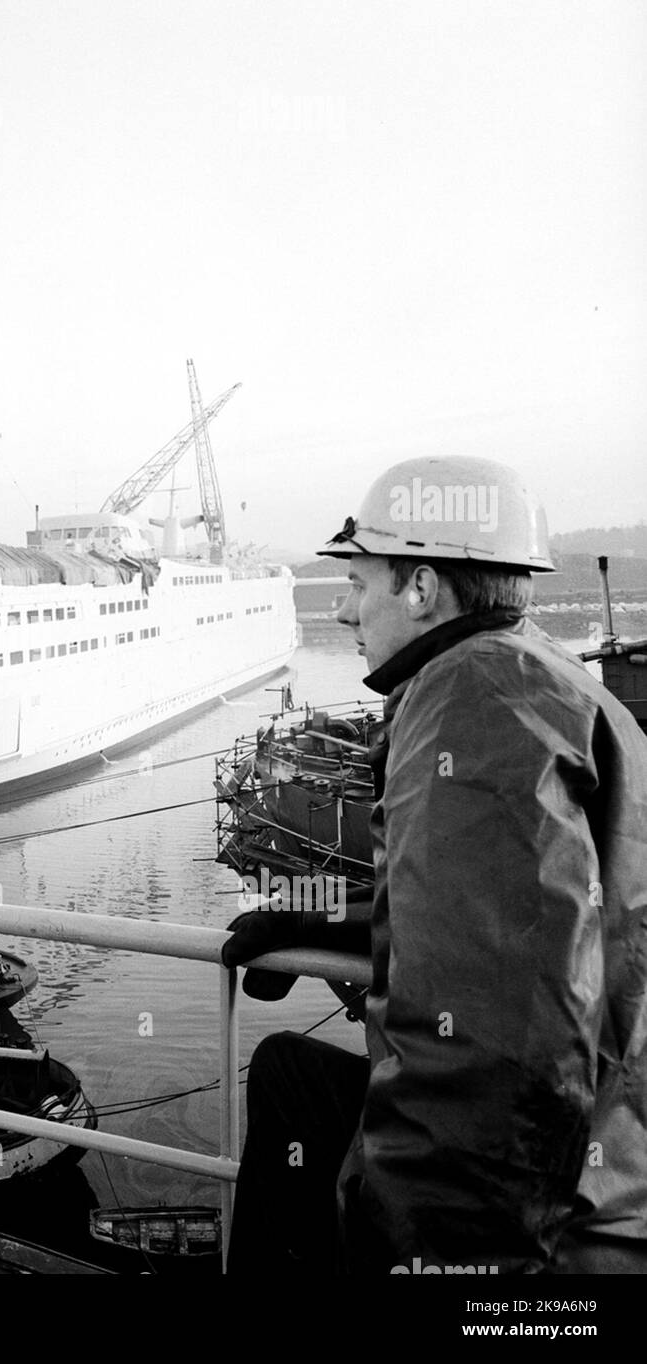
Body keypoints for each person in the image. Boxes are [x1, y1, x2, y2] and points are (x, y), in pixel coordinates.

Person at [224, 455, 647, 1275]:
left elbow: (497, 1052)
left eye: (358, 583)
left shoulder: (476, 702)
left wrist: (435, 1261)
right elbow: (518, 927)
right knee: (288, 1074)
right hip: (609, 1154)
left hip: (550, 1234)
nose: (345, 612)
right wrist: (336, 921)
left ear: (419, 588)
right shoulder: (537, 676)